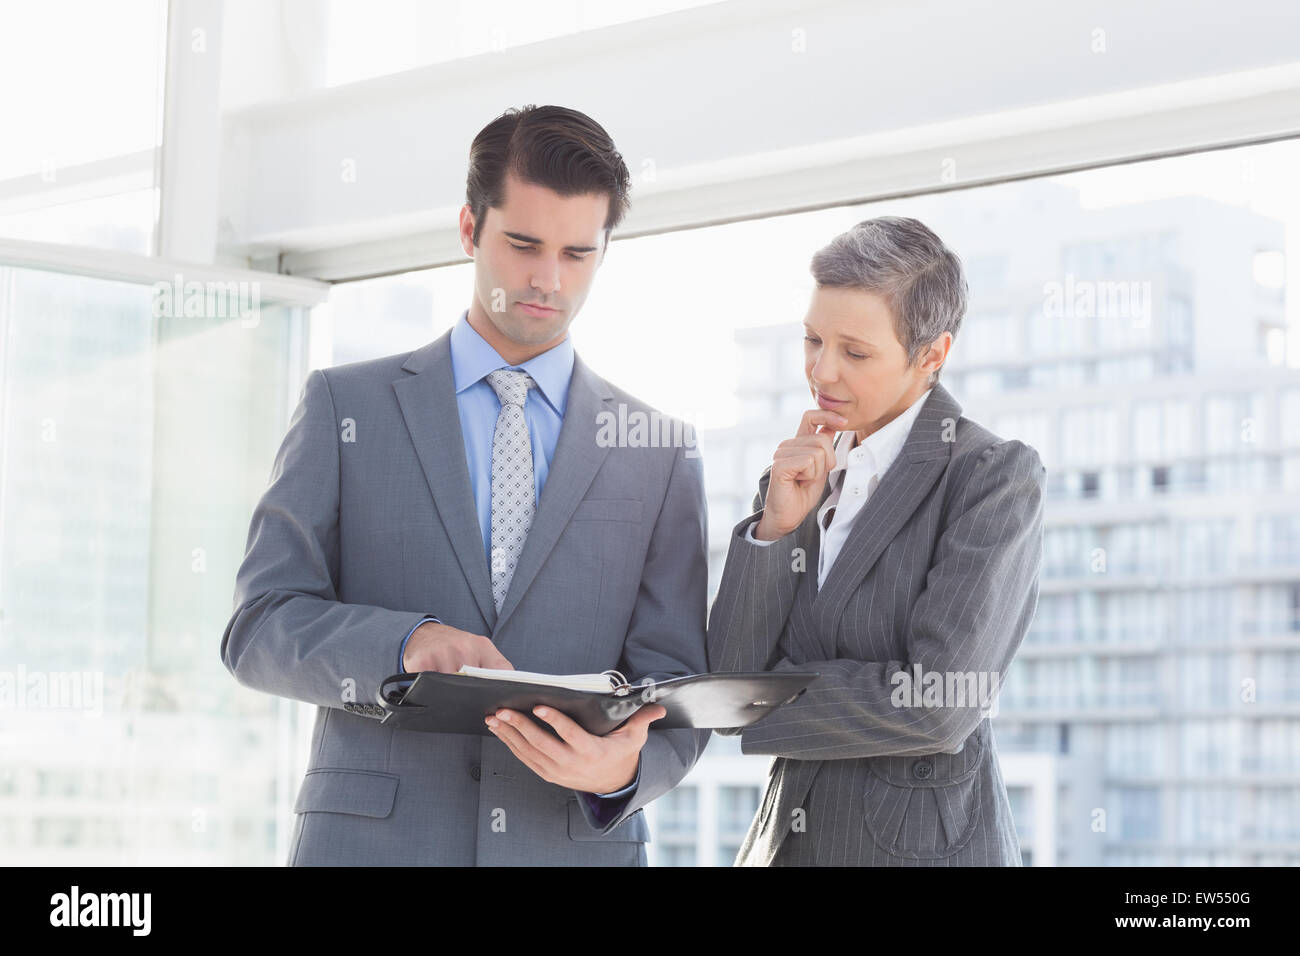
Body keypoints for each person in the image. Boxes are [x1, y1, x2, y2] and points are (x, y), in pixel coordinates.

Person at [221, 105, 710, 866]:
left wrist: (623, 771)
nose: (549, 279)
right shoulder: (345, 407)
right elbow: (258, 628)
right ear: (468, 228)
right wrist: (404, 643)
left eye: (579, 253)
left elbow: (676, 681)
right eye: (523, 244)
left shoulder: (660, 452)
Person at [706, 216, 1045, 866]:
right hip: (787, 843)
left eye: (855, 353)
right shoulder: (797, 475)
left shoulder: (989, 476)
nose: (821, 371)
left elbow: (941, 702)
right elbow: (727, 682)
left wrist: (762, 702)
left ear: (931, 356)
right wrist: (777, 527)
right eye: (812, 340)